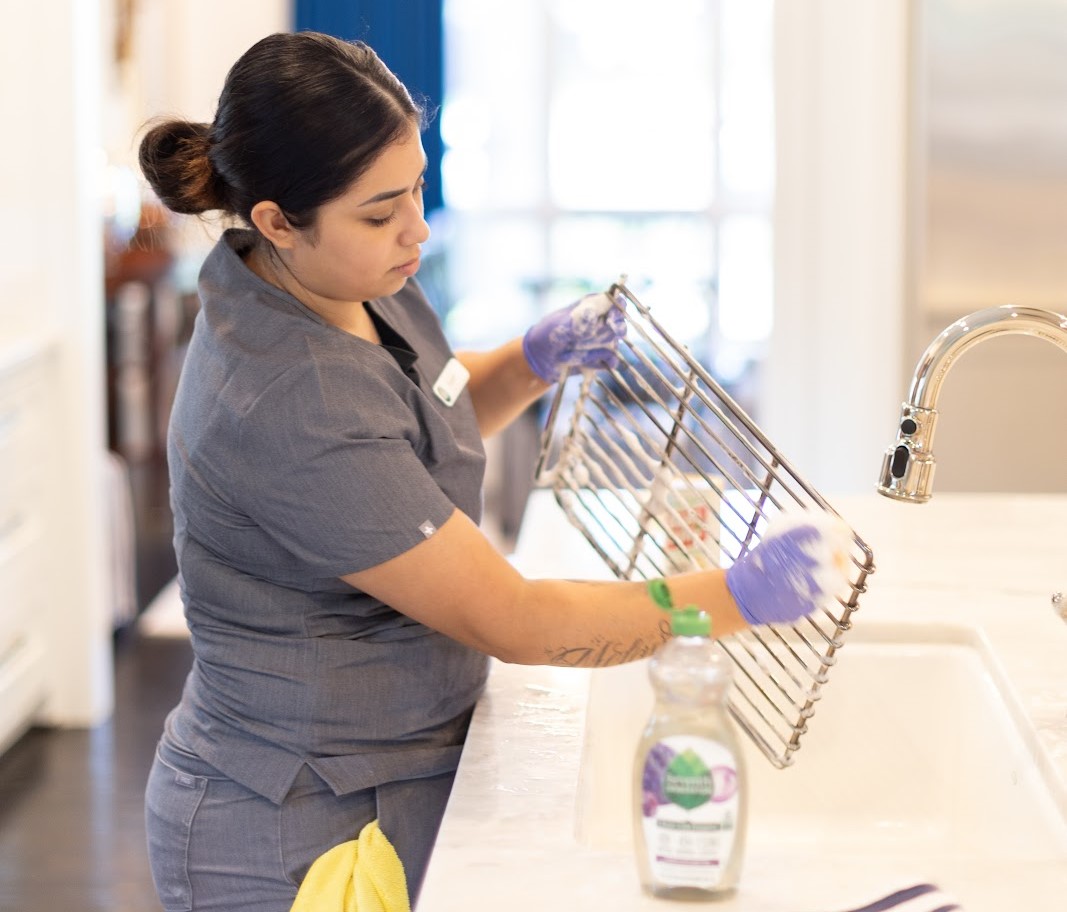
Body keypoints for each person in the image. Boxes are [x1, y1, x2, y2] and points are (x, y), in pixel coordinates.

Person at [137, 31, 848, 912]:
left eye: (416, 187)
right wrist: (734, 598)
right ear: (278, 220)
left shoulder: (342, 276)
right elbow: (514, 619)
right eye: (379, 212)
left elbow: (408, 419)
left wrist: (528, 361)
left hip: (391, 769)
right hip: (292, 829)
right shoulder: (288, 399)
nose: (415, 228)